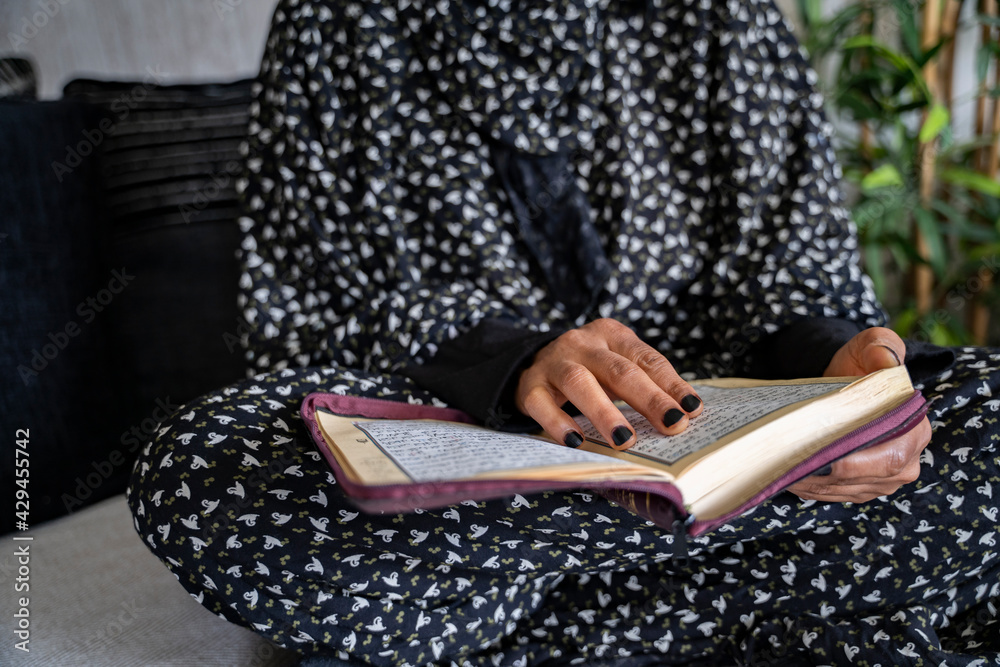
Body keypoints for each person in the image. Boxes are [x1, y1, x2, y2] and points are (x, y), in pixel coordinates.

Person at [128, 0, 1000, 664]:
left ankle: (501, 624)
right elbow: (313, 314)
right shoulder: (339, 20)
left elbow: (789, 272)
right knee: (204, 471)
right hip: (467, 440)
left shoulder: (719, 15)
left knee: (984, 413)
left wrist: (838, 373)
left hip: (705, 451)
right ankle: (752, 600)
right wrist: (514, 361)